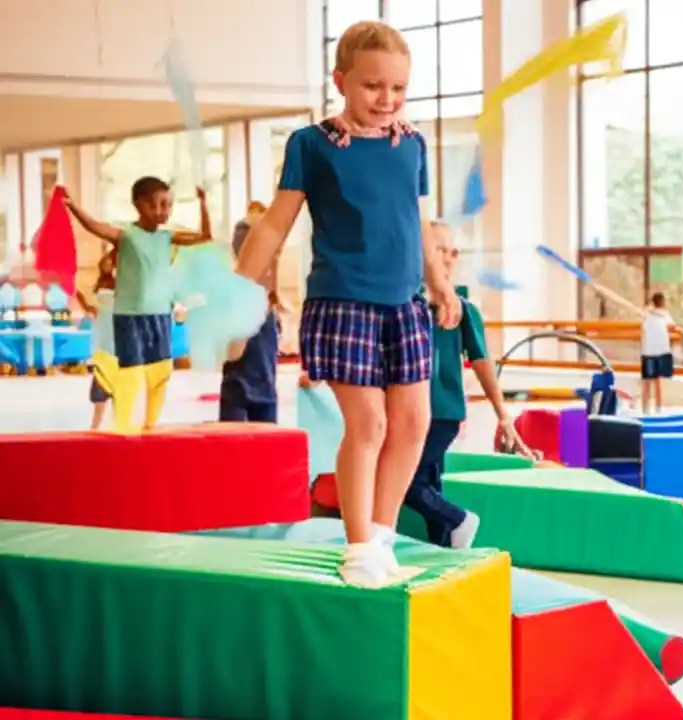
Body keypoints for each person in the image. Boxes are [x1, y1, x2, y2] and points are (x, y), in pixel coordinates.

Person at [235, 20, 460, 589]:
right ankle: (357, 544)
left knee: (413, 423)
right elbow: (274, 226)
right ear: (340, 80)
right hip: (343, 303)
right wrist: (242, 287)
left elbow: (421, 222)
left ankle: (381, 539)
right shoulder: (311, 145)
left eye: (398, 89)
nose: (386, 100)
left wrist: (440, 282)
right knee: (370, 424)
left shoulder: (411, 143)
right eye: (372, 86)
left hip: (404, 304)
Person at [406, 222, 533, 549]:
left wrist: (503, 415)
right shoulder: (409, 304)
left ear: (452, 257)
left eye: (439, 251)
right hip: (411, 411)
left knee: (408, 483)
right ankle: (444, 548)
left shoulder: (462, 310)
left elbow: (482, 362)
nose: (433, 259)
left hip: (442, 414)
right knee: (430, 484)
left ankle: (458, 520)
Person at [66, 180, 213, 432]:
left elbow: (205, 236)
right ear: (138, 205)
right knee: (131, 370)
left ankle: (150, 424)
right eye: (156, 205)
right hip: (130, 315)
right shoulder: (126, 236)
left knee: (160, 371)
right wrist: (73, 207)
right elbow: (95, 227)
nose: (162, 211)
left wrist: (203, 203)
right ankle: (124, 424)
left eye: (167, 205)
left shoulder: (168, 237)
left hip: (160, 315)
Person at [220, 230, 281, 423]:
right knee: (234, 451)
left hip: (267, 392)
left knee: (267, 452)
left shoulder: (270, 303)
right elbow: (233, 353)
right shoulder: (237, 300)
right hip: (239, 394)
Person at [76, 253, 117, 430]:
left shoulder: (124, 283)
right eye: (105, 263)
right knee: (101, 373)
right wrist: (85, 306)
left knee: (119, 374)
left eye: (110, 263)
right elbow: (89, 302)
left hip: (118, 330)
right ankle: (96, 424)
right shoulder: (100, 284)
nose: (107, 266)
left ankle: (119, 420)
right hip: (102, 332)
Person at [640, 292, 676, 414]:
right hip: (659, 352)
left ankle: (647, 409)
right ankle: (657, 408)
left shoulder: (648, 314)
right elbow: (672, 327)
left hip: (650, 353)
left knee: (648, 382)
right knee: (656, 381)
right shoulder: (663, 315)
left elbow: (672, 327)